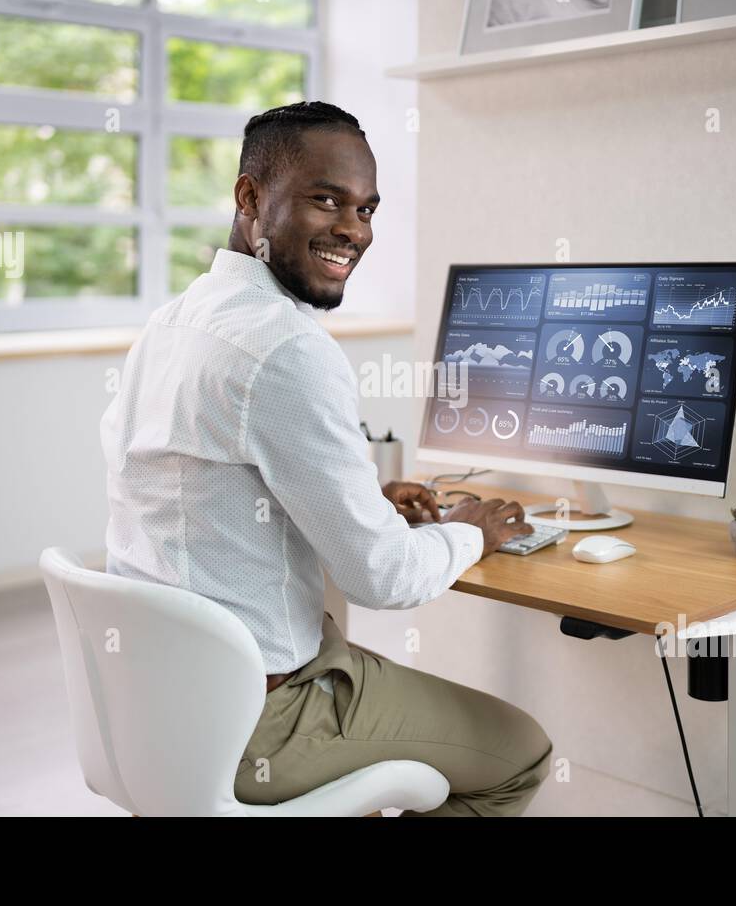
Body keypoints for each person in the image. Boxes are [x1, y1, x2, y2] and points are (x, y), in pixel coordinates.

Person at [100, 101, 553, 815]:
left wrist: (362, 496)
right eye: (326, 201)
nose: (354, 230)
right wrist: (472, 528)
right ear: (251, 198)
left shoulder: (173, 320)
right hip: (258, 720)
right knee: (519, 753)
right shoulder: (288, 350)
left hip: (157, 707)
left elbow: (203, 490)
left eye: (367, 209)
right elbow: (382, 577)